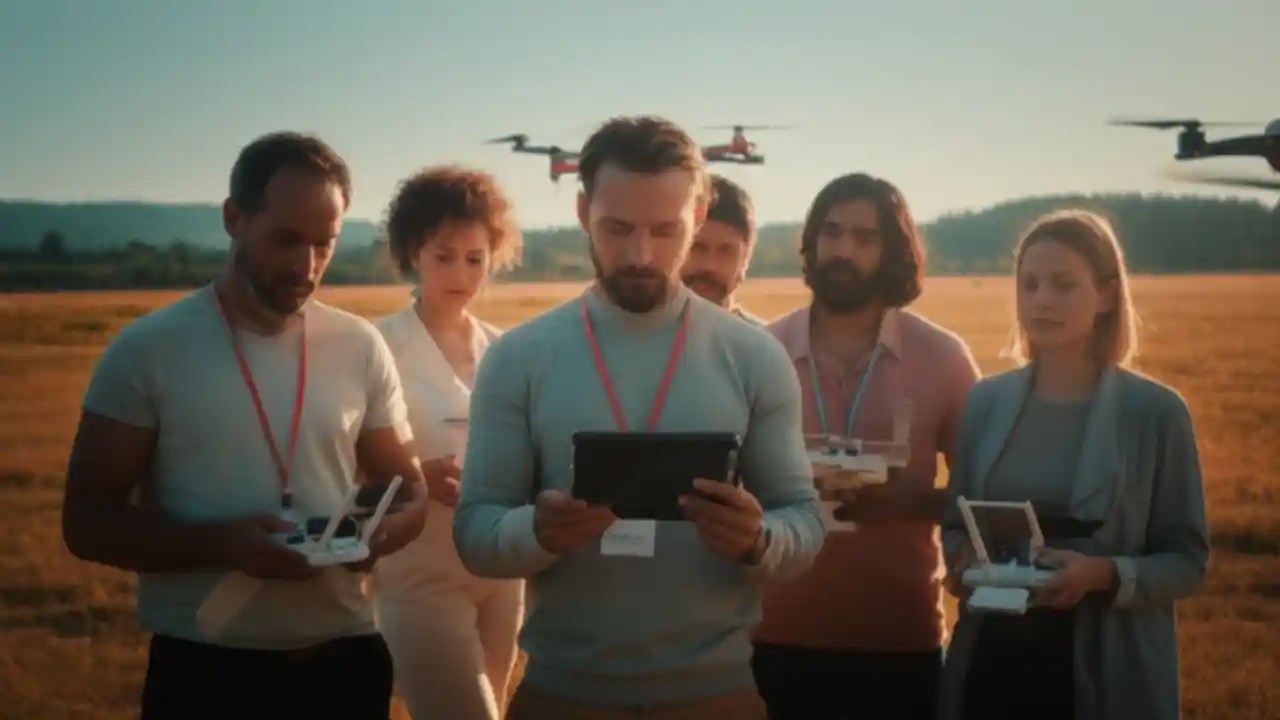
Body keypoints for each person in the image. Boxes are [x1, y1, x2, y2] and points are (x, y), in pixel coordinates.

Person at [452, 115, 825, 719]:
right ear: (582, 213)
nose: (639, 254)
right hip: (563, 695)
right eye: (616, 229)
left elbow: (803, 522)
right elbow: (475, 534)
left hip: (716, 695)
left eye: (664, 231)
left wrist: (759, 539)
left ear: (699, 216)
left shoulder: (754, 356)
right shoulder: (519, 358)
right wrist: (538, 533)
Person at [60, 131, 433, 719]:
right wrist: (221, 546)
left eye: (324, 244)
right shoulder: (146, 351)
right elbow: (85, 523)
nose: (306, 267)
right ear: (235, 218)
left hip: (348, 660)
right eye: (286, 240)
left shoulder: (359, 345)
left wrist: (389, 532)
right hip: (209, 672)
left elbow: (406, 485)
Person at [937, 210, 1210, 720]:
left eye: (1063, 285)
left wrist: (1101, 574)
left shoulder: (1155, 412)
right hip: (992, 665)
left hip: (1107, 674)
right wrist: (962, 563)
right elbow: (956, 527)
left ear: (1106, 294)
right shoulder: (986, 402)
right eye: (1030, 284)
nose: (1042, 299)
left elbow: (1187, 561)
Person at [750, 173, 981, 719]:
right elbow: (722, 480)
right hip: (768, 641)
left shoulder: (943, 358)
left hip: (900, 646)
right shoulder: (760, 352)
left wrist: (908, 504)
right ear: (811, 242)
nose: (843, 250)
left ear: (895, 251)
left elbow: (985, 496)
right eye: (831, 232)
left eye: (864, 237)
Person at [369, 165, 525, 719]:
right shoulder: (378, 347)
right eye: (444, 256)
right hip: (418, 577)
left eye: (475, 258)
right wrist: (415, 475)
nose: (461, 272)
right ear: (414, 253)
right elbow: (337, 466)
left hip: (502, 576)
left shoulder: (506, 351)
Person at [679, 173, 765, 325]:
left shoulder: (765, 345)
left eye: (726, 251)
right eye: (696, 247)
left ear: (745, 257)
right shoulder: (632, 341)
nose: (709, 265)